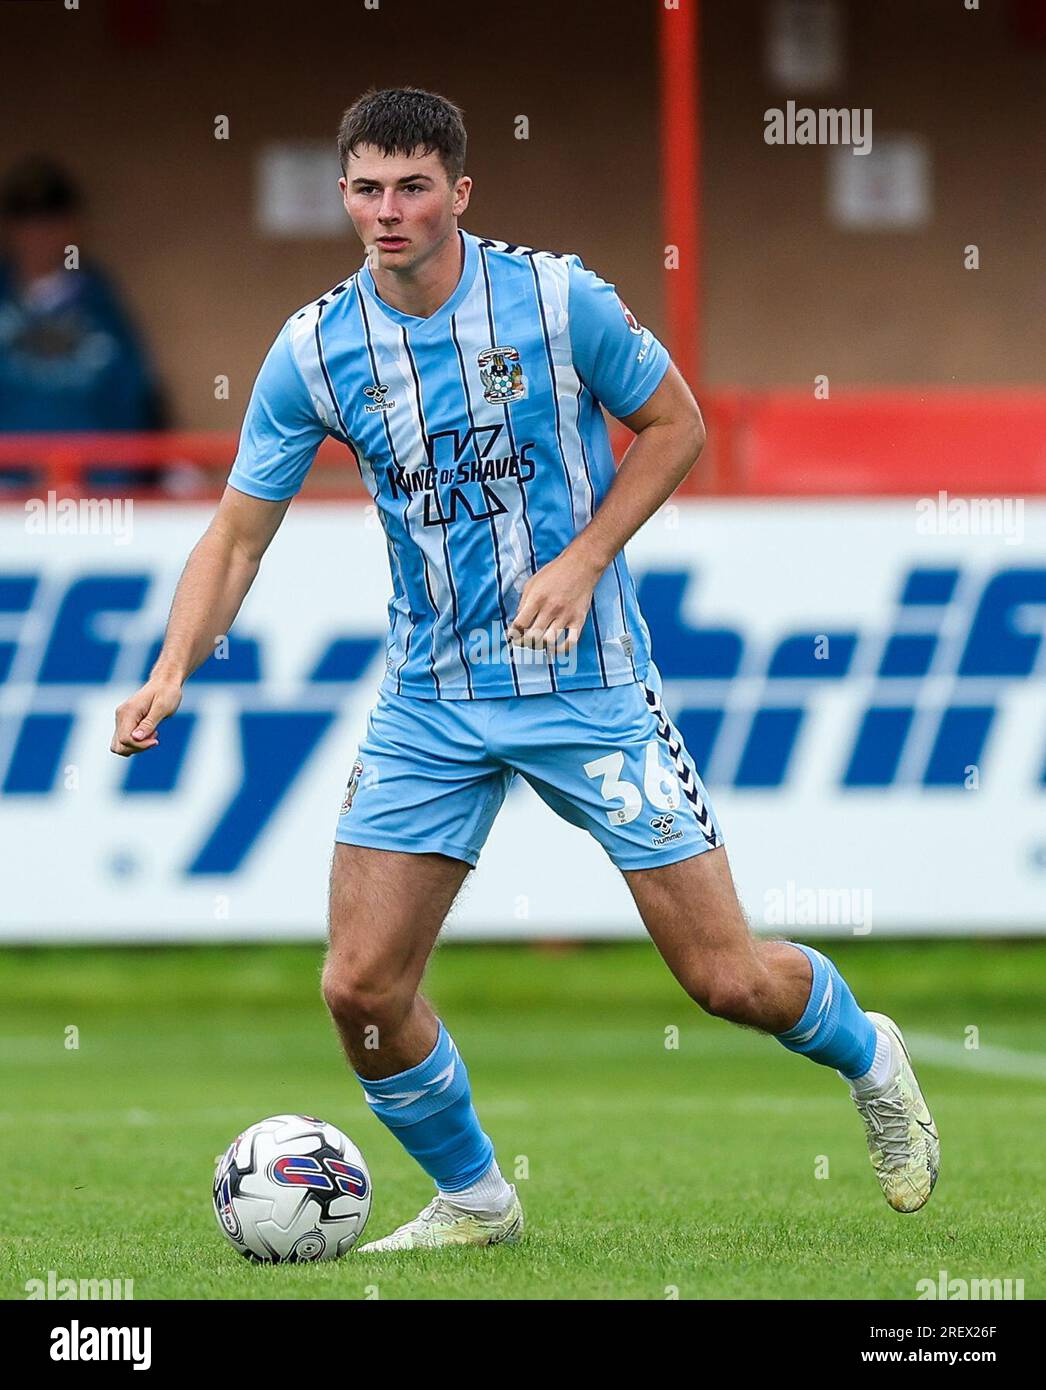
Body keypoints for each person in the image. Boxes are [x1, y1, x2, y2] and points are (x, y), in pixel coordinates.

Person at [110, 87, 939, 1252]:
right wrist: (169, 669)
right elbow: (238, 534)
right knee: (359, 988)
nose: (386, 211)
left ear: (459, 190)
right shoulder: (316, 349)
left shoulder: (555, 300)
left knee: (723, 977)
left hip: (586, 687)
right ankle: (475, 1200)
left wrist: (585, 556)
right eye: (365, 187)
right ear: (341, 193)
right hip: (429, 704)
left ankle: (866, 1052)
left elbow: (675, 424)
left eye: (411, 187)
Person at [0, 156, 165, 490]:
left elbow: (135, 398)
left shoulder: (100, 303)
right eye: (26, 221)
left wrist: (112, 478)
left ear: (72, 225)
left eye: (50, 220)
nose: (38, 234)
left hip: (95, 495)